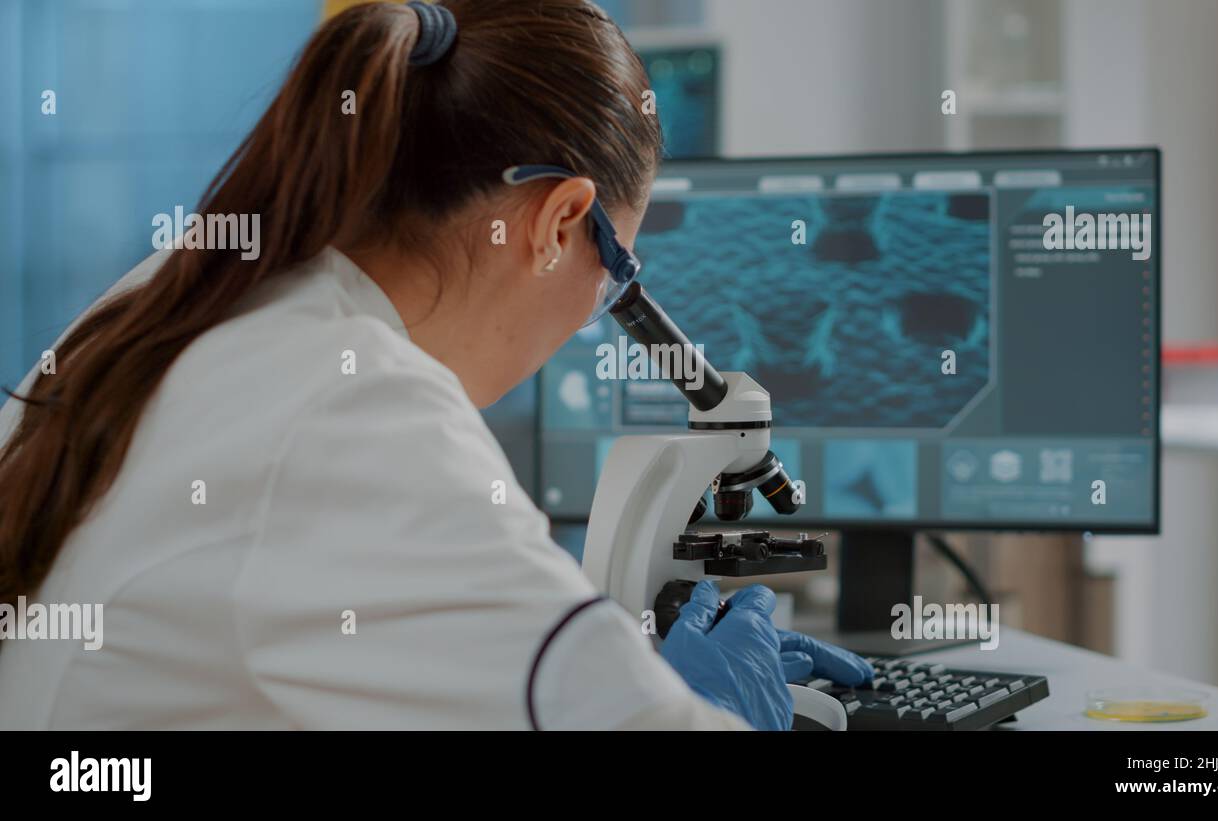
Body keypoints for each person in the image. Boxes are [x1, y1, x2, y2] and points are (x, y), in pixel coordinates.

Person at [0, 0, 869, 731]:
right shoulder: (363, 414)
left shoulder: (180, 291)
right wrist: (723, 706)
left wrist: (622, 673)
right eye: (616, 279)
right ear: (560, 221)